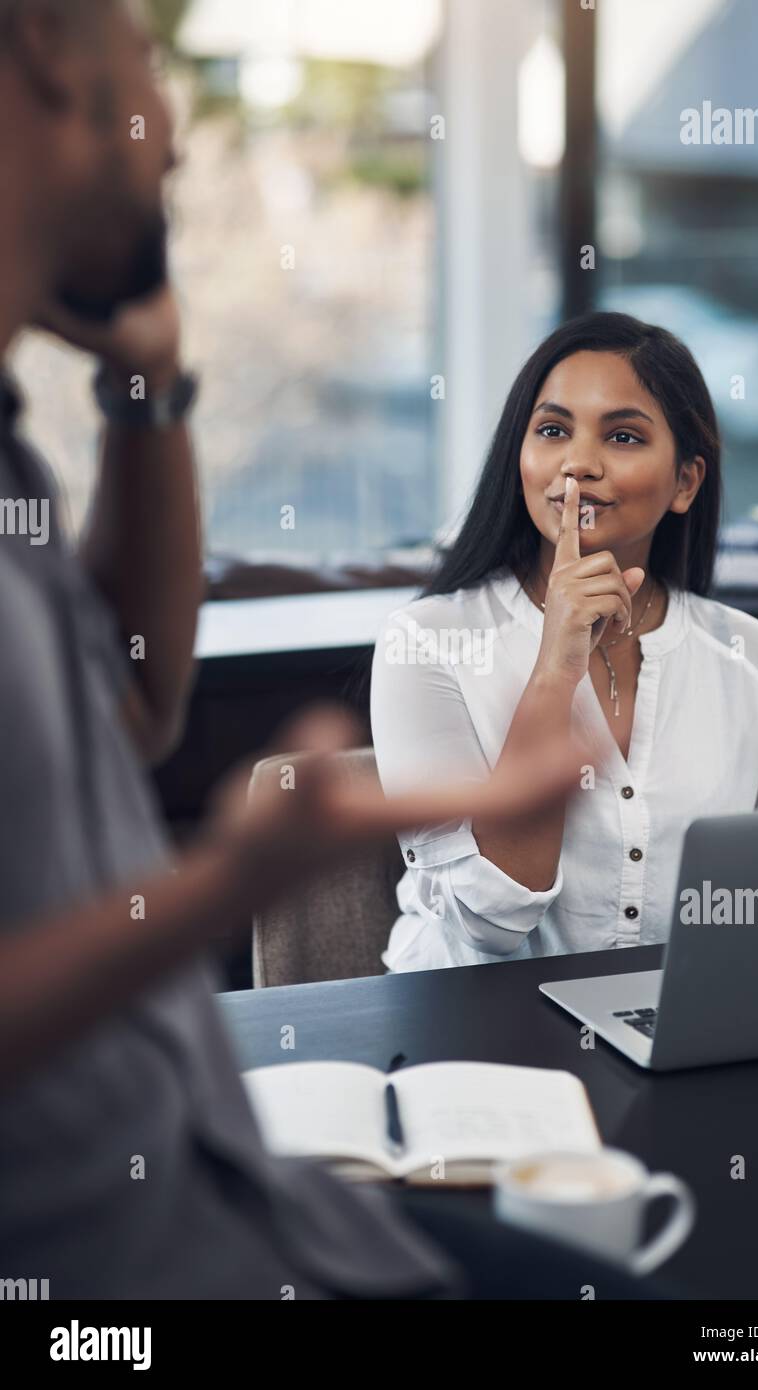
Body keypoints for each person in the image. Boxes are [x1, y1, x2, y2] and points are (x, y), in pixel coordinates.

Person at [0, 0, 651, 1301]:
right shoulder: (438, 638)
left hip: (237, 1204)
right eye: (147, 54)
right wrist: (233, 879)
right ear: (44, 59)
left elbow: (138, 702)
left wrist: (152, 393)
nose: (173, 127)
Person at [371, 313, 758, 972]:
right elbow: (491, 922)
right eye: (552, 430)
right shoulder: (426, 643)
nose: (578, 463)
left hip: (673, 1029)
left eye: (624, 436)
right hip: (466, 1032)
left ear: (686, 482)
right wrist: (556, 666)